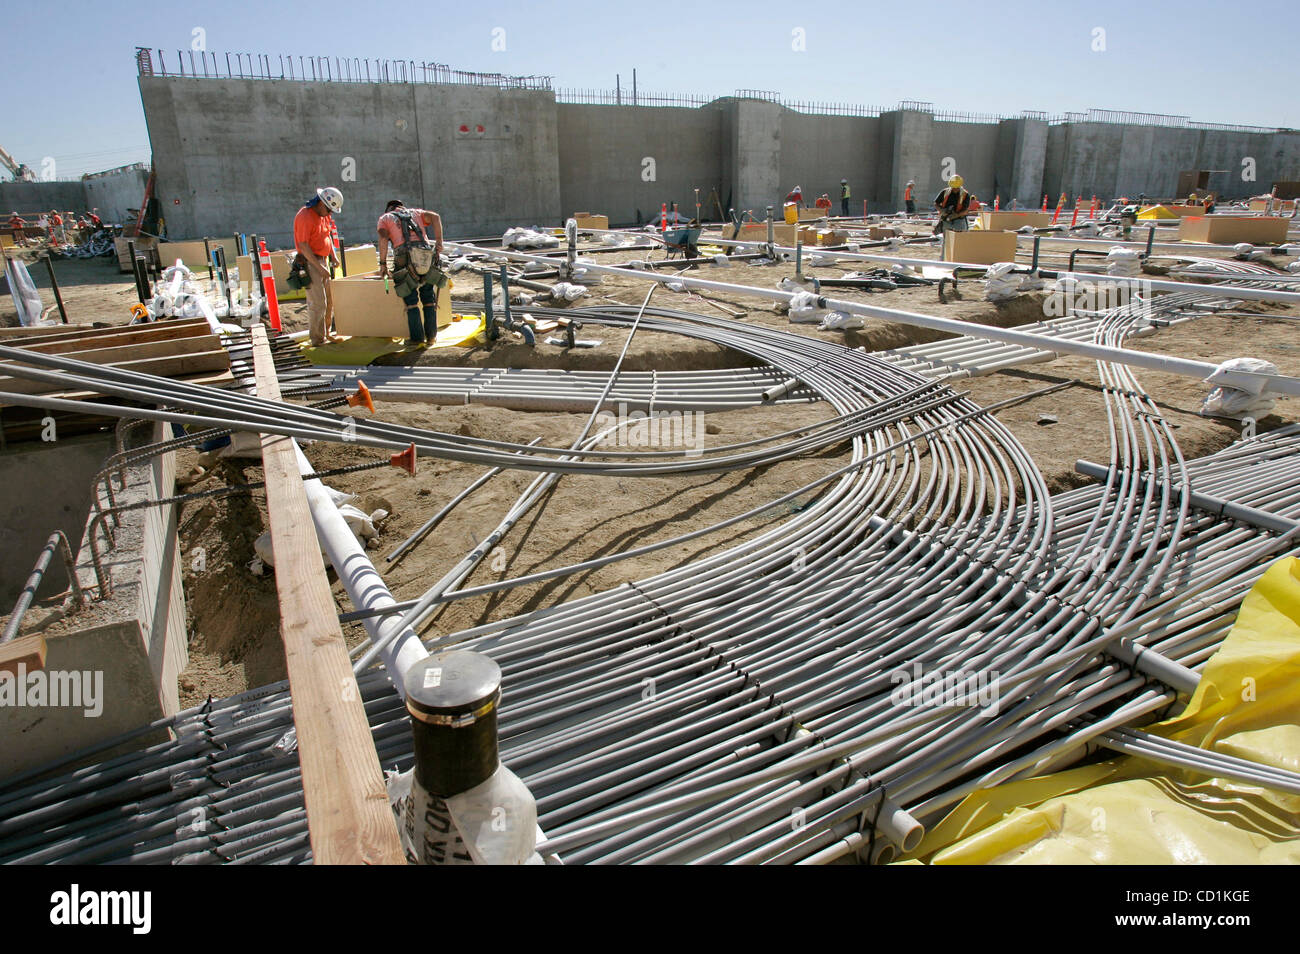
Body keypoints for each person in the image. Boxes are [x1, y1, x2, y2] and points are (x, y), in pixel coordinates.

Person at [376, 199, 446, 347]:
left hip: (404, 256)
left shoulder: (385, 218)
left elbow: (383, 238)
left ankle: (417, 338)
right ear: (402, 207)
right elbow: (436, 217)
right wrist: (439, 242)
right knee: (428, 295)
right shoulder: (416, 213)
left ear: (389, 209)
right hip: (425, 254)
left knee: (410, 298)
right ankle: (431, 337)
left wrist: (382, 264)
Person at [293, 187, 344, 346]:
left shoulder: (324, 216)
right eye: (329, 209)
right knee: (317, 302)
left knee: (328, 300)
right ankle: (317, 339)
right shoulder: (305, 217)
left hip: (322, 260)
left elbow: (326, 235)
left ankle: (326, 333)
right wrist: (319, 267)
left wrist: (332, 255)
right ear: (321, 203)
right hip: (309, 261)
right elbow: (304, 245)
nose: (330, 214)